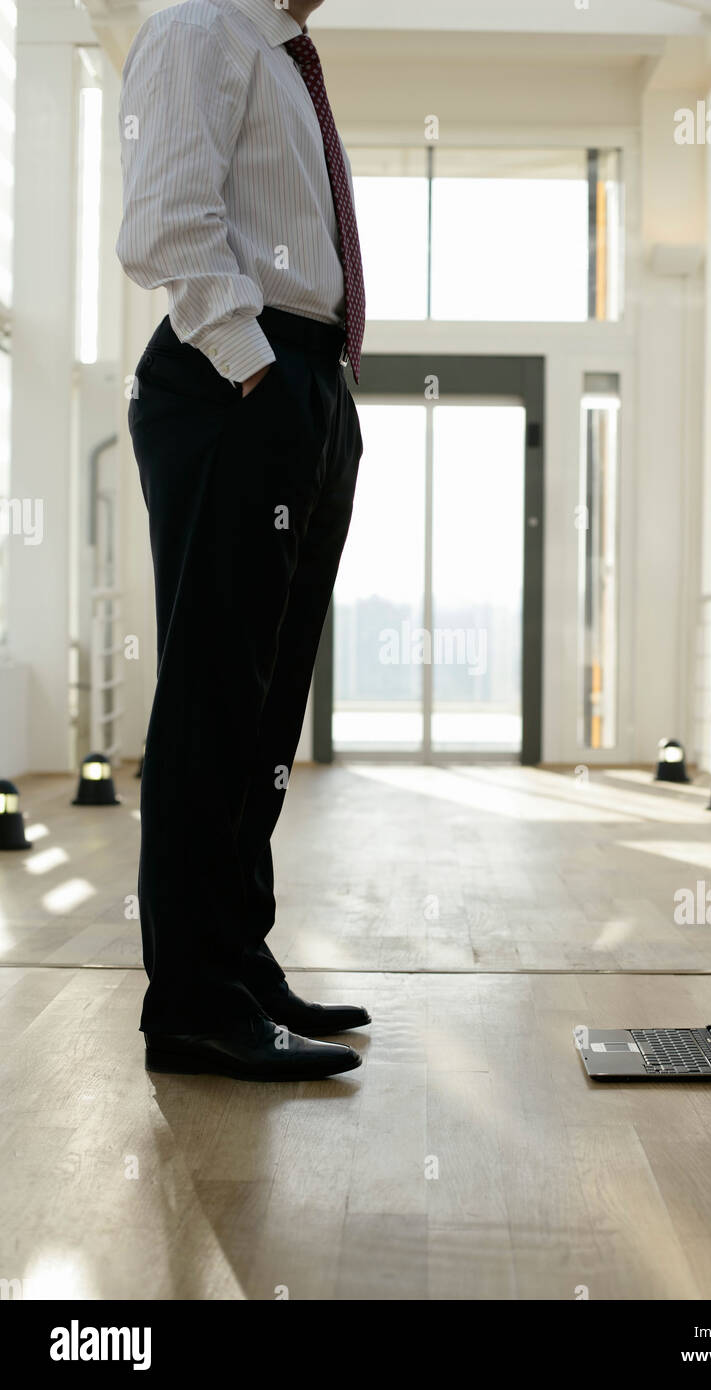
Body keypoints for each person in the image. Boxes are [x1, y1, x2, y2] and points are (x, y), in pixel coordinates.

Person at [116, 0, 368, 1081]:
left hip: (303, 379)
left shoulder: (282, 54)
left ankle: (236, 960)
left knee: (266, 705)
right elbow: (168, 222)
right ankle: (192, 1002)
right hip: (237, 378)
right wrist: (256, 369)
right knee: (216, 695)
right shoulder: (197, 29)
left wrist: (314, 389)